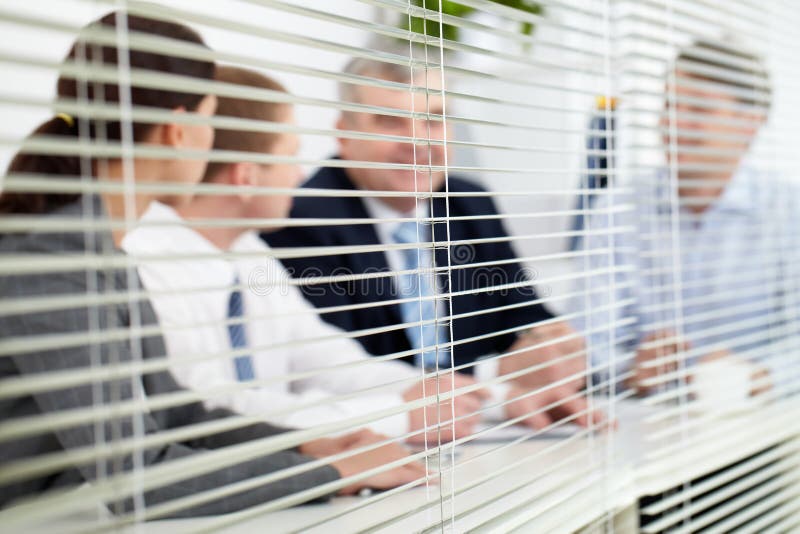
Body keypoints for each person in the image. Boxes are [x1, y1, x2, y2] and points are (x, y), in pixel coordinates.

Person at [0, 12, 421, 517]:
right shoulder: (54, 264)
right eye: (209, 119)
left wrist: (306, 447)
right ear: (180, 130)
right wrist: (329, 474)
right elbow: (137, 476)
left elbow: (179, 412)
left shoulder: (98, 250)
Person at [122, 65, 490, 443]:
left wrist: (433, 393)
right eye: (291, 156)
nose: (300, 177)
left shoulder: (248, 253)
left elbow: (321, 357)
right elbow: (217, 409)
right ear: (247, 177)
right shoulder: (149, 268)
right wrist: (398, 416)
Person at [265, 52, 603, 430]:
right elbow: (344, 371)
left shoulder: (469, 203)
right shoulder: (301, 219)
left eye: (433, 119)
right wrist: (499, 375)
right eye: (391, 122)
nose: (417, 142)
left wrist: (547, 344)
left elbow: (522, 312)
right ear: (344, 135)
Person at [572, 38, 796, 397]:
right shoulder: (616, 211)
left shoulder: (788, 212)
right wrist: (629, 370)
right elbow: (584, 341)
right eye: (670, 105)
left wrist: (763, 375)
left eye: (698, 109)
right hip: (644, 428)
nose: (672, 122)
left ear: (749, 124)